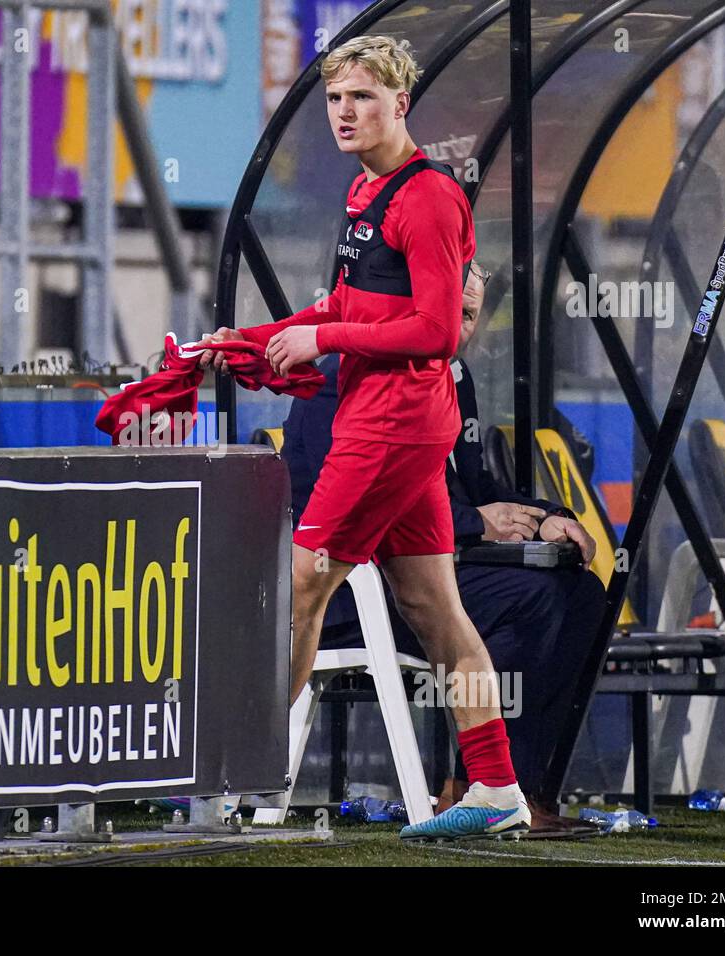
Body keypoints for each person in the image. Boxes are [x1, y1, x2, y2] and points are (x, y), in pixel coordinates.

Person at [198, 36, 528, 840]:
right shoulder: (365, 192)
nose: (345, 113)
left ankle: (230, 776)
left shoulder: (428, 197)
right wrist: (250, 338)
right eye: (336, 99)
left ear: (401, 105)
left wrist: (327, 341)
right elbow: (341, 307)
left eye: (363, 99)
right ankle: (497, 788)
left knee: (303, 587)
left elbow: (437, 331)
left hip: (392, 426)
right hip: (392, 424)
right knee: (434, 608)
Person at [285, 263, 606, 835]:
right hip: (354, 589)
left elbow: (473, 491)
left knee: (581, 595)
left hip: (433, 572)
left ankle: (514, 788)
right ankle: (474, 785)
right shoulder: (341, 378)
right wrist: (473, 523)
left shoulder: (451, 377)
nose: (457, 330)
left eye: (468, 316)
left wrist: (547, 518)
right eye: (447, 312)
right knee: (532, 601)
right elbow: (358, 501)